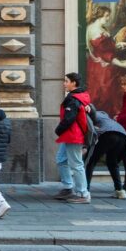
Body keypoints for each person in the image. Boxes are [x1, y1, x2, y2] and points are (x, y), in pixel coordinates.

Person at [85, 6, 126, 116]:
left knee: (112, 92)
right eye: (106, 16)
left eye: (109, 15)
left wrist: (119, 44)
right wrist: (121, 64)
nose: (108, 18)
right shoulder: (95, 30)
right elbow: (104, 54)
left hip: (106, 65)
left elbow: (108, 46)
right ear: (99, 16)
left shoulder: (101, 28)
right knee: (104, 93)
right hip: (101, 68)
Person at [53, 72, 91, 204]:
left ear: (74, 83)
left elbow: (69, 118)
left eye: (66, 81)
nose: (64, 83)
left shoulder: (74, 98)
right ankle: (68, 188)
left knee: (76, 164)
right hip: (69, 134)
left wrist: (58, 130)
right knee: (61, 160)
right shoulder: (79, 96)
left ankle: (83, 194)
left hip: (74, 135)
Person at [84, 110, 126, 199]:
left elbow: (90, 131)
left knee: (90, 161)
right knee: (113, 162)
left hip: (107, 133)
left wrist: (85, 146)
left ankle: (85, 190)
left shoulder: (88, 115)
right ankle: (120, 191)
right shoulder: (105, 116)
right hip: (122, 135)